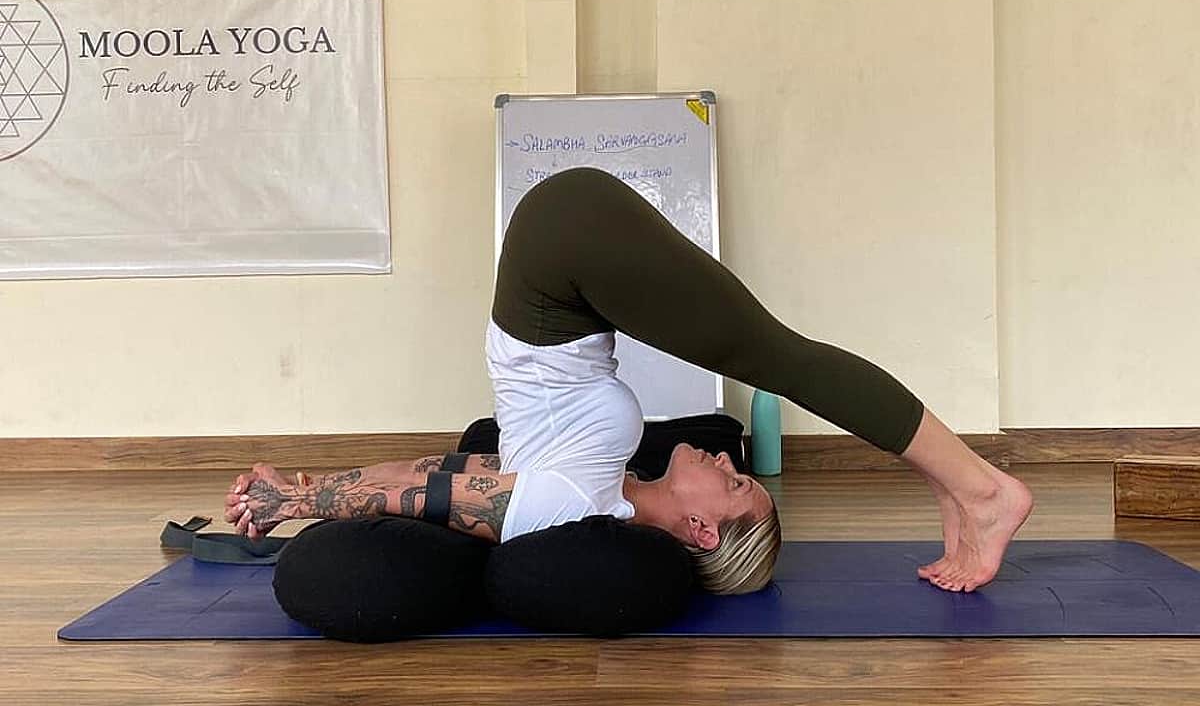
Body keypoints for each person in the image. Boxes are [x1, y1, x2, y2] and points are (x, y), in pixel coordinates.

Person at [224, 167, 1032, 595]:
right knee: (774, 354)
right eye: (740, 470)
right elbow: (438, 482)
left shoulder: (574, 505)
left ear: (703, 531)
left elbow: (422, 489)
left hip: (560, 267)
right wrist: (296, 493)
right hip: (568, 261)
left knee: (777, 356)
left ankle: (980, 488)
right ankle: (961, 485)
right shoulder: (603, 486)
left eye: (735, 482)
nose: (726, 460)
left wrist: (292, 498)